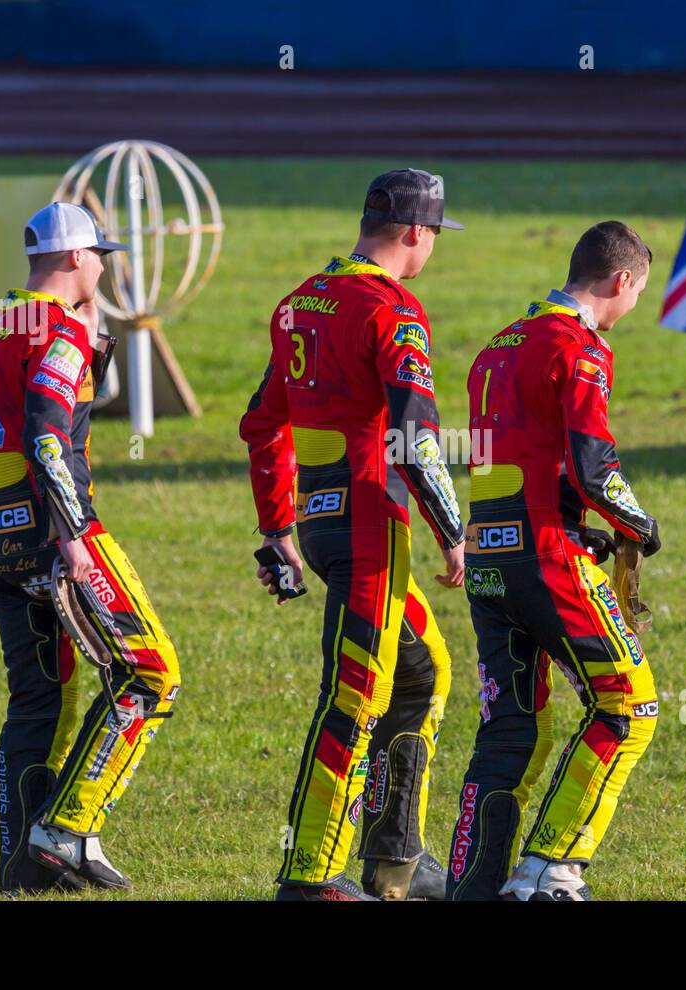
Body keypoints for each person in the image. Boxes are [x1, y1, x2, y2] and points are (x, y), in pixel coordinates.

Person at [240, 169, 466, 901]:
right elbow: (415, 437)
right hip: (372, 527)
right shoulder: (394, 311)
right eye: (435, 235)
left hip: (320, 522)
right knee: (356, 695)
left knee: (424, 671)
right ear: (416, 233)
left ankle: (396, 860)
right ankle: (313, 875)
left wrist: (278, 528)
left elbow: (262, 424)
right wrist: (453, 531)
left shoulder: (299, 302)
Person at [0, 203, 181, 894]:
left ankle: (23, 870)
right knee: (152, 671)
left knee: (38, 702)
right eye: (100, 257)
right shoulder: (57, 331)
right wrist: (72, 534)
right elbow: (48, 440)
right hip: (60, 534)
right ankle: (69, 829)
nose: (104, 270)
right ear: (76, 258)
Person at [447, 220, 662, 901]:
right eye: (638, 293)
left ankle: (472, 884)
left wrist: (581, 528)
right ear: (621, 280)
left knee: (510, 727)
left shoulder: (498, 346)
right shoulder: (580, 348)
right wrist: (639, 526)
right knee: (628, 704)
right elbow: (594, 467)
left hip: (489, 558)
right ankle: (550, 871)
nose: (632, 307)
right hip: (546, 562)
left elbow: (524, 460)